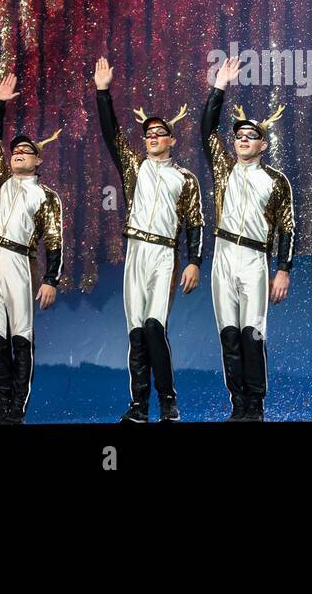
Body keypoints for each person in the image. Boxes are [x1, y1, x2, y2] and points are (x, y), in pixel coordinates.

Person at [94, 57, 203, 423]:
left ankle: (168, 401)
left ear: (172, 139)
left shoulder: (185, 178)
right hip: (136, 251)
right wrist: (103, 93)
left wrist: (194, 261)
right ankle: (139, 405)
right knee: (137, 331)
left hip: (165, 253)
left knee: (156, 325)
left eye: (160, 133)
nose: (153, 137)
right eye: (148, 134)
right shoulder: (134, 168)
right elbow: (111, 135)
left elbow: (195, 223)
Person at [200, 56, 296, 421]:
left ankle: (255, 405)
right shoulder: (223, 168)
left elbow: (287, 228)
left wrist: (283, 269)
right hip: (223, 255)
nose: (242, 140)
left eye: (250, 136)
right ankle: (237, 405)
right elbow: (207, 130)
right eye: (238, 136)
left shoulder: (276, 181)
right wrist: (219, 87)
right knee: (228, 334)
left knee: (252, 334)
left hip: (255, 260)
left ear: (263, 145)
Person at [0, 73, 64, 425]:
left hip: (19, 261)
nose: (18, 154)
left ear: (38, 160)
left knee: (20, 335)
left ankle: (16, 410)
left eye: (26, 151)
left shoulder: (45, 196)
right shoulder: (0, 179)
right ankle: (1, 407)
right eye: (15, 150)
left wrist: (51, 279)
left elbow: (54, 240)